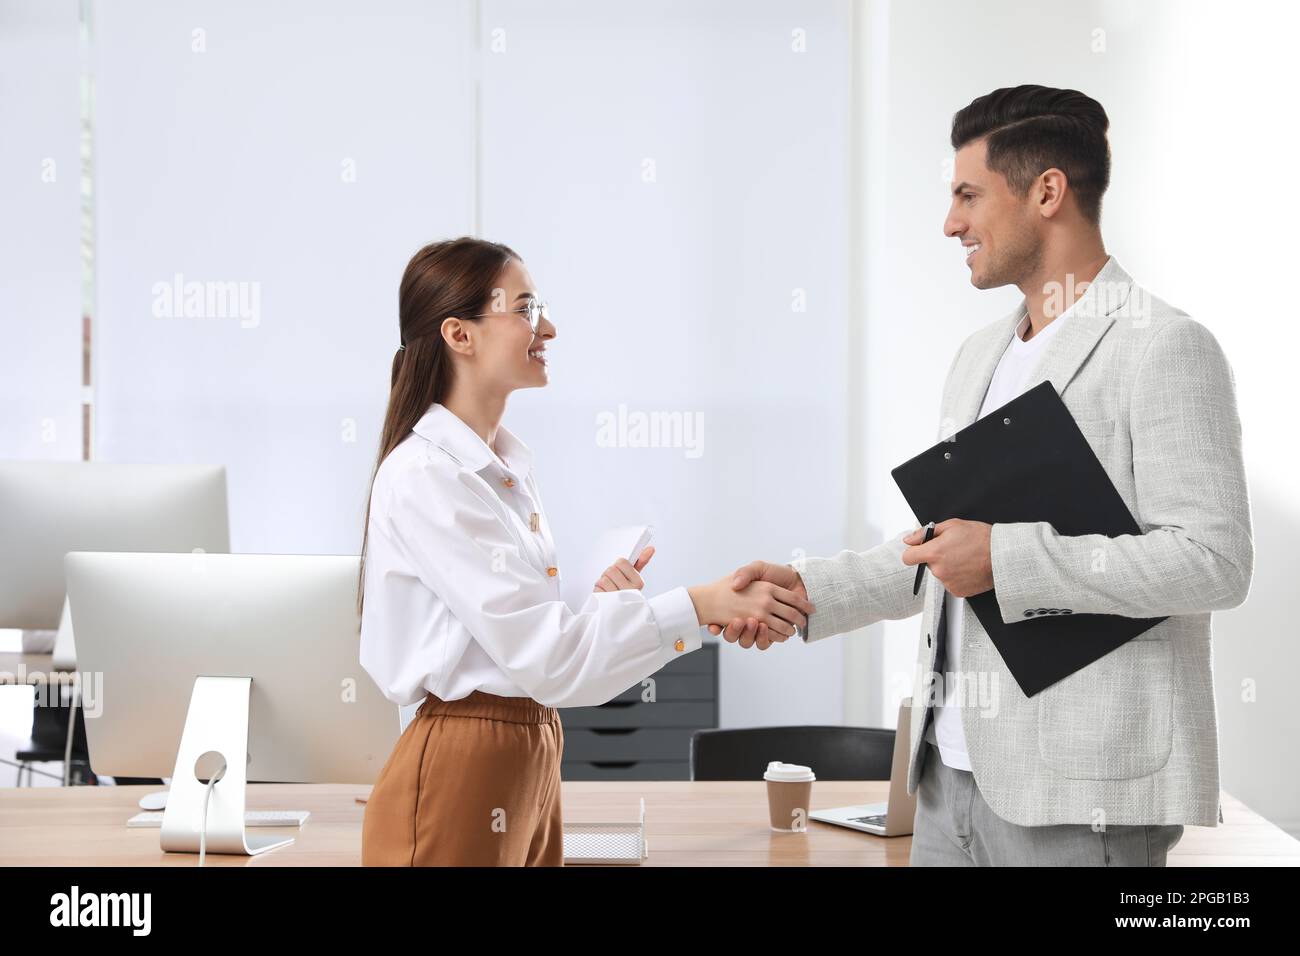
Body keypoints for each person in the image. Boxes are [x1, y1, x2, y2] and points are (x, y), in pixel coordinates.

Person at [713, 85, 1253, 866]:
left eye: (967, 195)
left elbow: (1214, 562)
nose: (950, 223)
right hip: (946, 786)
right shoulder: (980, 357)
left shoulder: (1164, 348)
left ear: (1047, 192)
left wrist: (1004, 557)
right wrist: (806, 594)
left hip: (1079, 797)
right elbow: (947, 550)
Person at [356, 237, 813, 866]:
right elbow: (550, 660)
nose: (547, 326)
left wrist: (602, 610)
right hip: (467, 757)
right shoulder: (428, 476)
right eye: (524, 308)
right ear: (459, 335)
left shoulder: (504, 468)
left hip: (528, 748)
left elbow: (542, 653)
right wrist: (702, 603)